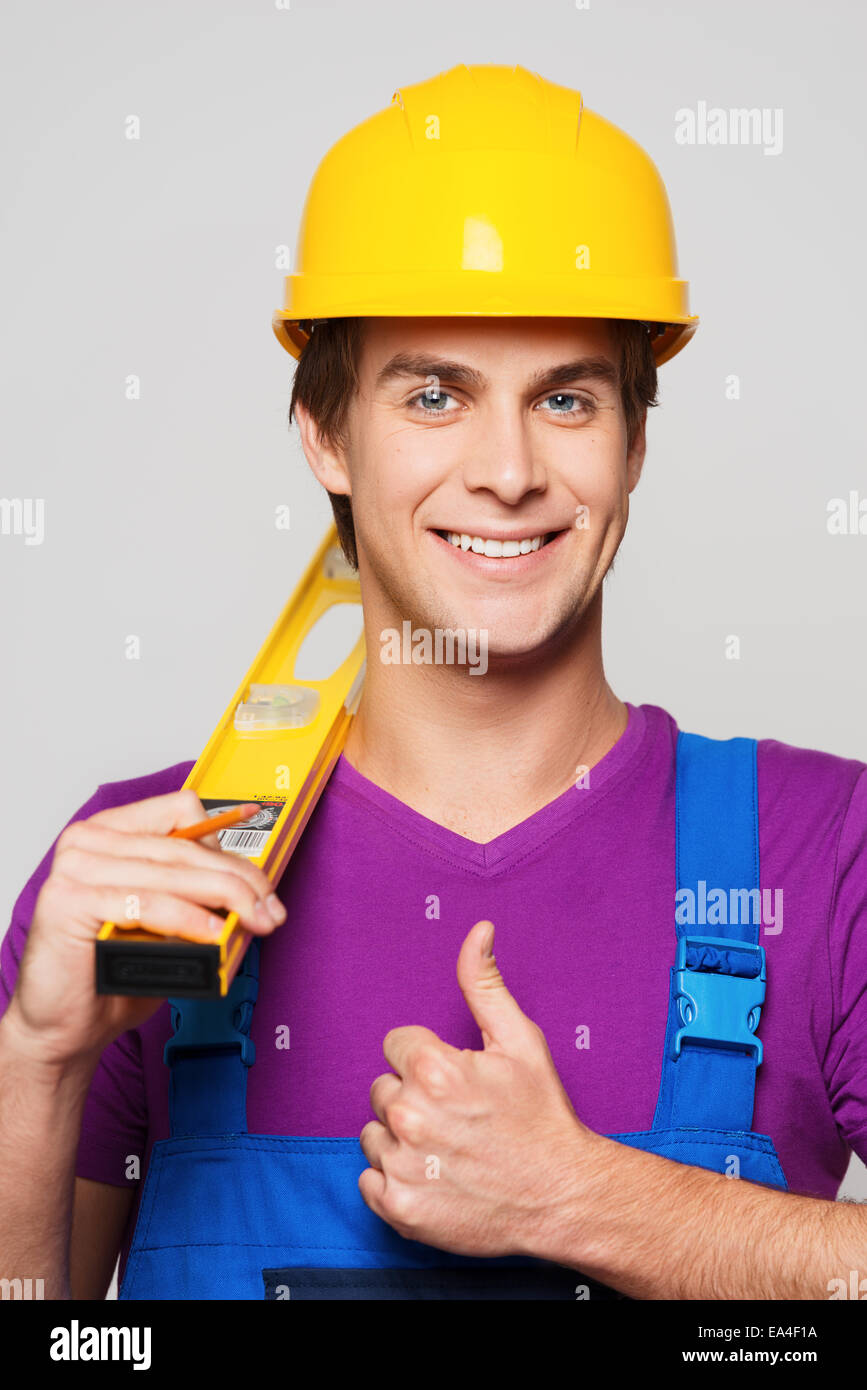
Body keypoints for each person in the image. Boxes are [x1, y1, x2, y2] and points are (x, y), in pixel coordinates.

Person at [1, 63, 866, 1302]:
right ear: (327, 437)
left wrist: (599, 1201)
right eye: (433, 394)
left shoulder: (821, 856)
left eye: (565, 397)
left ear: (633, 443)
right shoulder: (147, 877)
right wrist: (36, 1065)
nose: (507, 469)